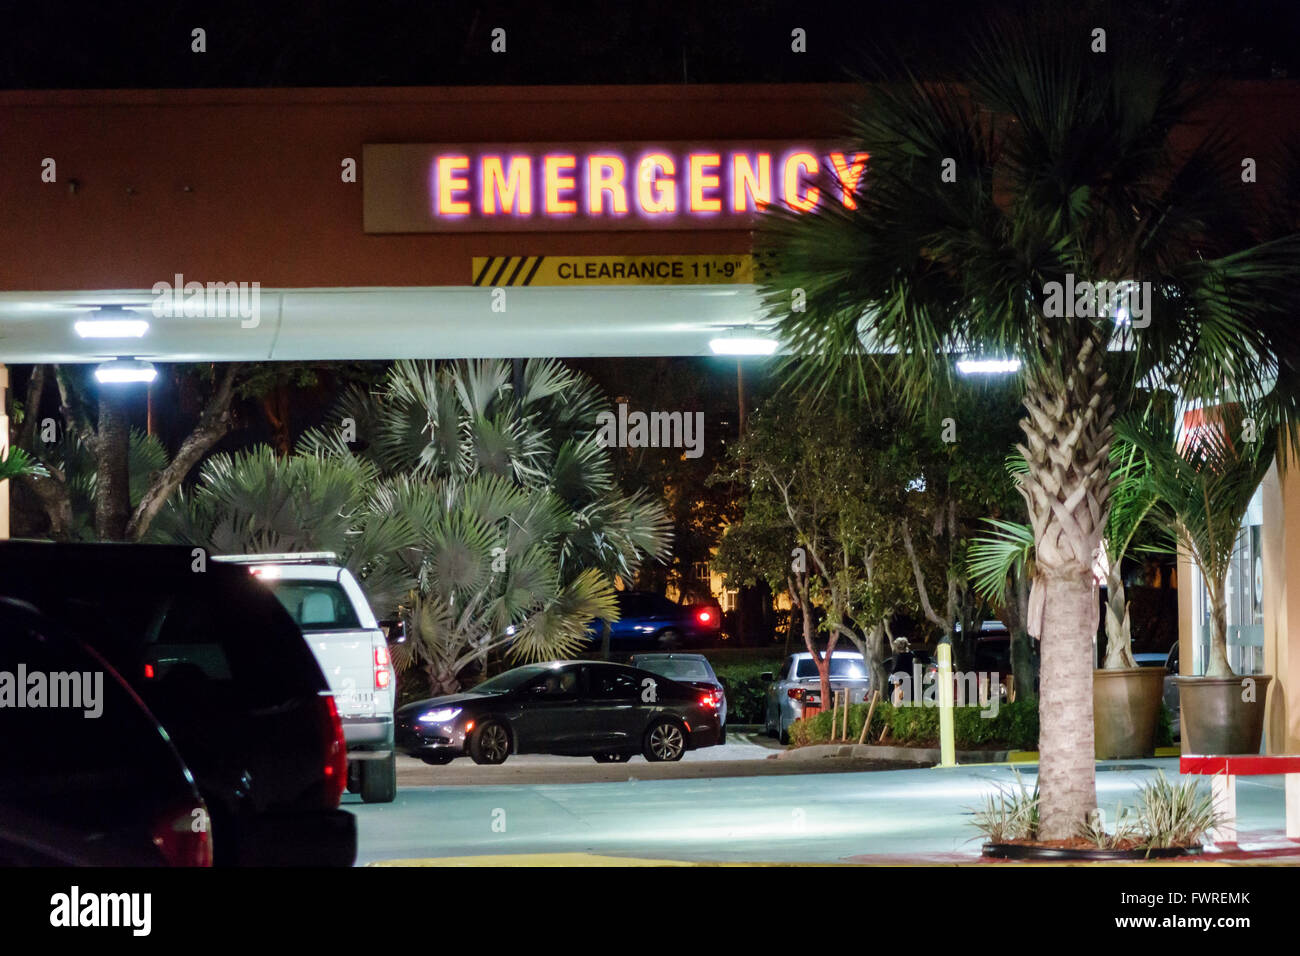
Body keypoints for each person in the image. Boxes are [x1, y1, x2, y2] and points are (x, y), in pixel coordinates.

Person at [889, 637, 915, 706]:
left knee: (897, 697)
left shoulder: (896, 655)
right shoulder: (910, 655)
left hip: (898, 677)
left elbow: (894, 667)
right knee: (906, 697)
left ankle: (896, 707)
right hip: (908, 677)